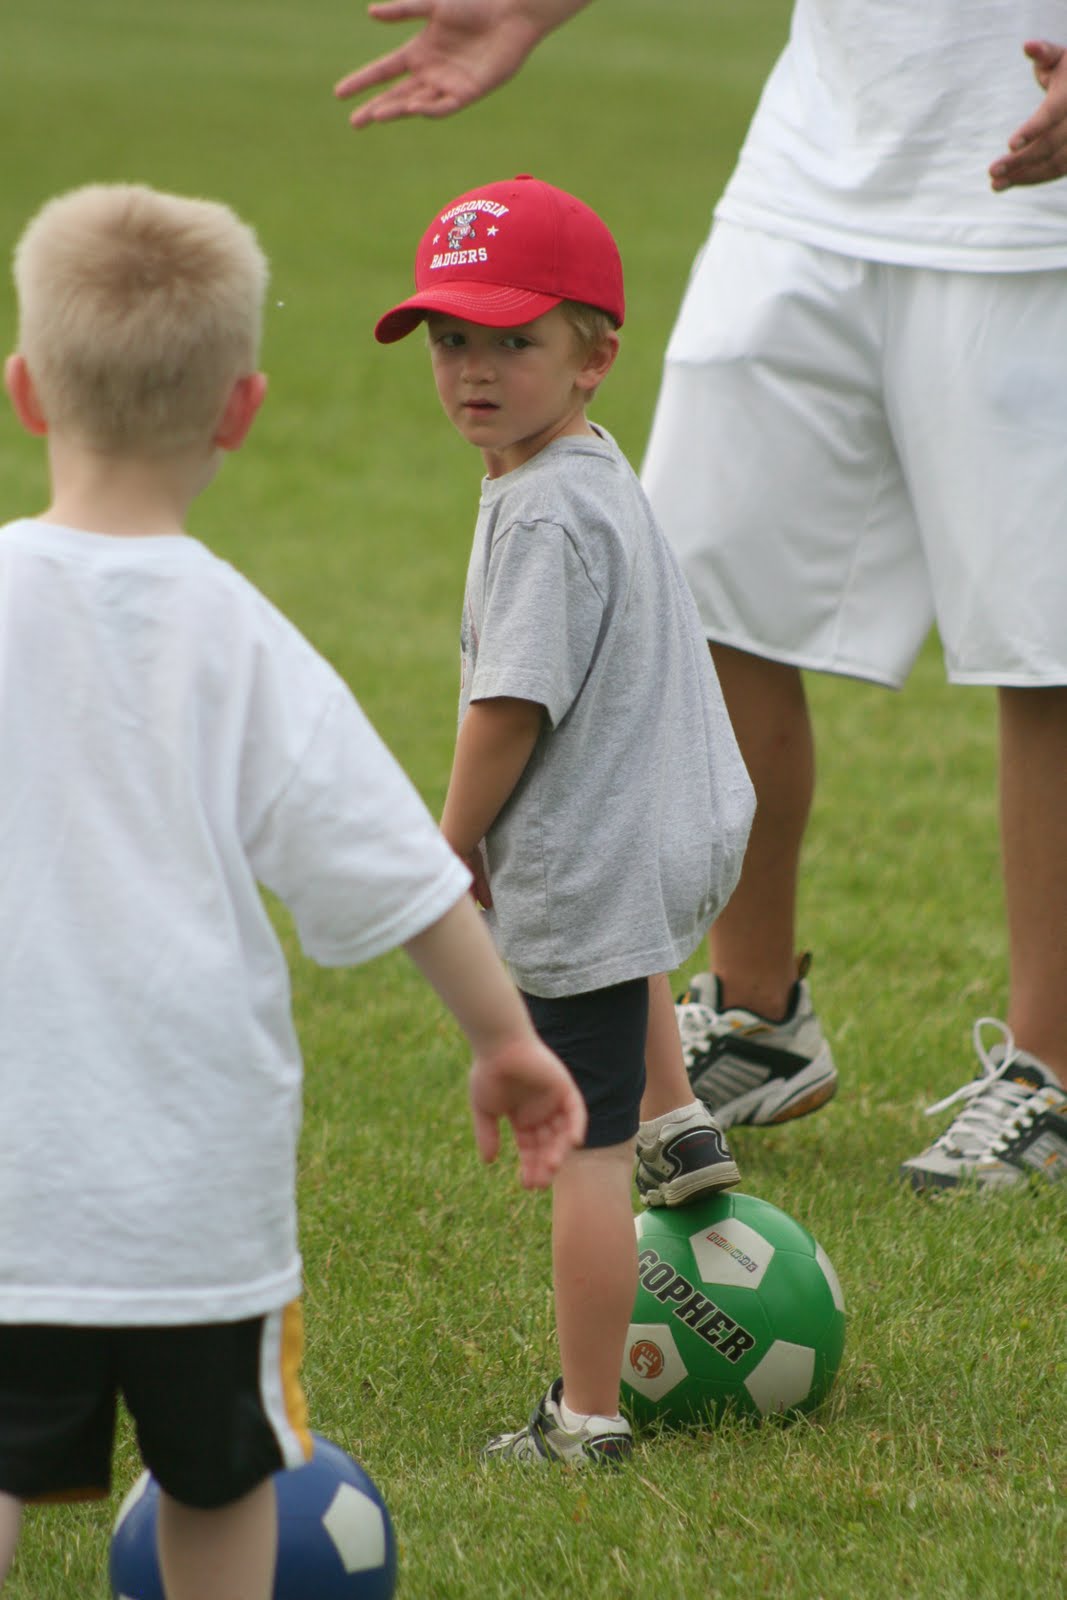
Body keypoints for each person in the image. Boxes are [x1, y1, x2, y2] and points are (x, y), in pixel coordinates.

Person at [339, 1, 1067, 1194]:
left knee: (1039, 638)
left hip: (1026, 185)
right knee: (703, 574)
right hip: (812, 152)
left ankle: (1047, 1067)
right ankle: (756, 1013)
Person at [0, 182, 588, 1598]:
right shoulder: (239, 640)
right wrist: (505, 1042)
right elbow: (400, 875)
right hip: (199, 1208)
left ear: (26, 391)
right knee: (217, 1487)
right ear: (242, 410)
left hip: (14, 1183)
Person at [374, 174, 755, 1463]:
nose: (473, 370)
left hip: (602, 848)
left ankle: (587, 1417)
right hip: (664, 821)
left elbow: (508, 708)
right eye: (450, 339)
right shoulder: (578, 465)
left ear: (594, 357)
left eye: (512, 341)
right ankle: (682, 1120)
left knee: (579, 1147)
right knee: (622, 967)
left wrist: (452, 837)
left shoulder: (540, 510)